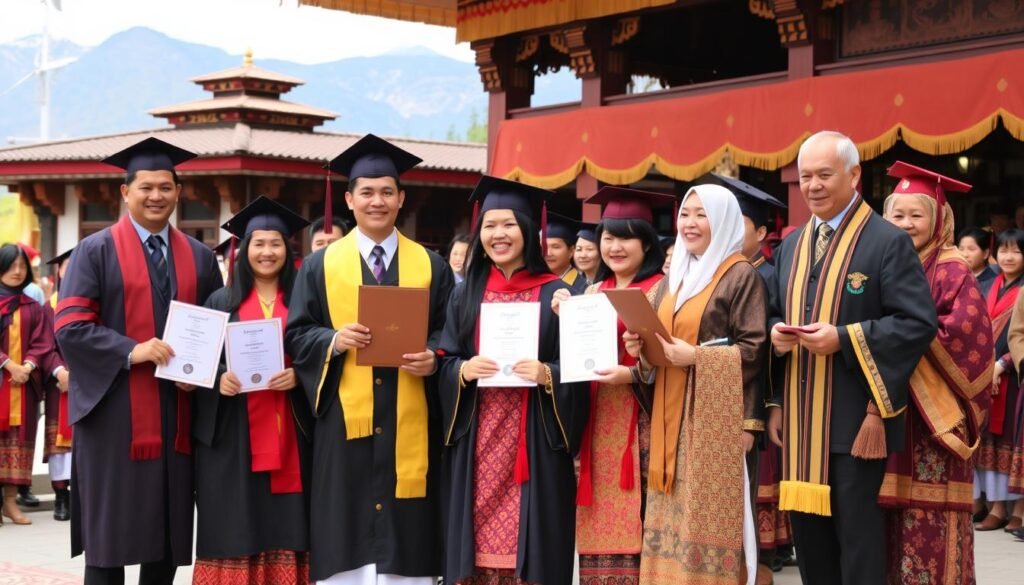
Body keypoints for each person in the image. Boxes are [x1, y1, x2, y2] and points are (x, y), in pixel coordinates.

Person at [765, 131, 937, 584]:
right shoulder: (793, 244)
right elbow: (770, 314)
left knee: (857, 541)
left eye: (825, 174)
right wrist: (775, 340)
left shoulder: (886, 241)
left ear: (854, 174)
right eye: (806, 177)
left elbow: (917, 323)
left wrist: (844, 337)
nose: (814, 185)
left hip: (856, 418)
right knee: (810, 543)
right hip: (800, 419)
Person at [284, 134, 454, 584]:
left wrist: (434, 359)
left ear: (401, 198)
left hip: (410, 415)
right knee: (346, 533)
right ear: (349, 198)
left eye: (386, 192)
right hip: (345, 428)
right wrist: (333, 341)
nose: (376, 201)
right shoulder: (320, 266)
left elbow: (449, 334)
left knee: (408, 537)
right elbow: (298, 333)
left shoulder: (432, 266)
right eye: (366, 192)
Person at [54, 137, 223, 585]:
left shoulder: (201, 257)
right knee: (110, 542)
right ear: (125, 192)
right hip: (114, 418)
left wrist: (203, 374)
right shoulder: (96, 251)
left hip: (178, 415)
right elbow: (70, 325)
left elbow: (214, 328)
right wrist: (132, 350)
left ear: (178, 192)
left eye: (165, 187)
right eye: (145, 187)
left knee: (165, 541)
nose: (156, 196)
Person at [436, 176, 588, 585]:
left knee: (532, 539)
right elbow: (445, 359)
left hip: (534, 437)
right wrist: (462, 371)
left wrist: (548, 374)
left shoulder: (556, 294)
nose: (498, 234)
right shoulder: (464, 295)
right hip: (478, 438)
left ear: (528, 230)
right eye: (489, 225)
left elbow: (579, 368)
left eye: (508, 224)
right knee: (475, 534)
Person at [627, 184, 767, 584]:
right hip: (669, 418)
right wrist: (640, 346)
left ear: (723, 220)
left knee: (709, 520)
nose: (690, 223)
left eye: (702, 215)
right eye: (685, 213)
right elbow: (658, 344)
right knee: (669, 519)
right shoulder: (673, 278)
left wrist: (698, 358)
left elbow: (755, 350)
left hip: (712, 421)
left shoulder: (740, 275)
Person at [879, 162, 993, 584]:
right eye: (898, 215)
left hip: (936, 421)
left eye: (916, 215)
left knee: (933, 521)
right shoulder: (880, 263)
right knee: (885, 521)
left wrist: (900, 333)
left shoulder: (952, 269)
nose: (906, 224)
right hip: (887, 413)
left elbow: (967, 338)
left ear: (939, 219)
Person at [193, 196, 313, 584]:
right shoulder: (220, 301)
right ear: (242, 251)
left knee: (287, 519)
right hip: (233, 436)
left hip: (292, 431)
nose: (267, 252)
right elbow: (197, 363)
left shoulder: (306, 302)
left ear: (288, 249)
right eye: (258, 244)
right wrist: (219, 378)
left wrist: (300, 378)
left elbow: (323, 357)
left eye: (275, 243)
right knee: (236, 518)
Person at [560, 187, 668, 585]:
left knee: (642, 515)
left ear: (646, 243)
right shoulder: (591, 292)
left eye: (626, 237)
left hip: (640, 423)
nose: (614, 247)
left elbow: (671, 358)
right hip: (595, 418)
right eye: (608, 237)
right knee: (597, 512)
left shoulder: (662, 289)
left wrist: (633, 373)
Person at [713, 174, 790, 584]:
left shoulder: (765, 277)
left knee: (742, 503)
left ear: (761, 232)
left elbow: (763, 356)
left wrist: (760, 412)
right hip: (715, 401)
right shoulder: (718, 271)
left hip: (751, 404)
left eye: (737, 222)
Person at [0, 243, 56, 526]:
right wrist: (8, 364)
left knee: (20, 441)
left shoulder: (33, 307)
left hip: (24, 386)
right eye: (11, 265)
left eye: (22, 266)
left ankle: (11, 503)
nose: (17, 271)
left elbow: (43, 342)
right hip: (2, 381)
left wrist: (28, 366)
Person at [974, 228, 1024, 532]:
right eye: (1003, 250)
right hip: (984, 373)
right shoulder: (988, 286)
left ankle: (1015, 508)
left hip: (1013, 375)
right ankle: (996, 504)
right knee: (988, 442)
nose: (1008, 257)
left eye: (1016, 251)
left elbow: (1015, 335)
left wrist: (1003, 363)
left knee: (1011, 443)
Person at [42, 247, 74, 522]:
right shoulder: (47, 306)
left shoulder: (95, 301)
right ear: (59, 271)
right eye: (67, 265)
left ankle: (80, 495)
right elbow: (43, 345)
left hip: (88, 381)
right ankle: (61, 497)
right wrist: (60, 371)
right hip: (59, 384)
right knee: (58, 446)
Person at [546, 213, 587, 293]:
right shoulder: (535, 285)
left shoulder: (584, 288)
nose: (548, 253)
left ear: (571, 251)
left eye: (555, 247)